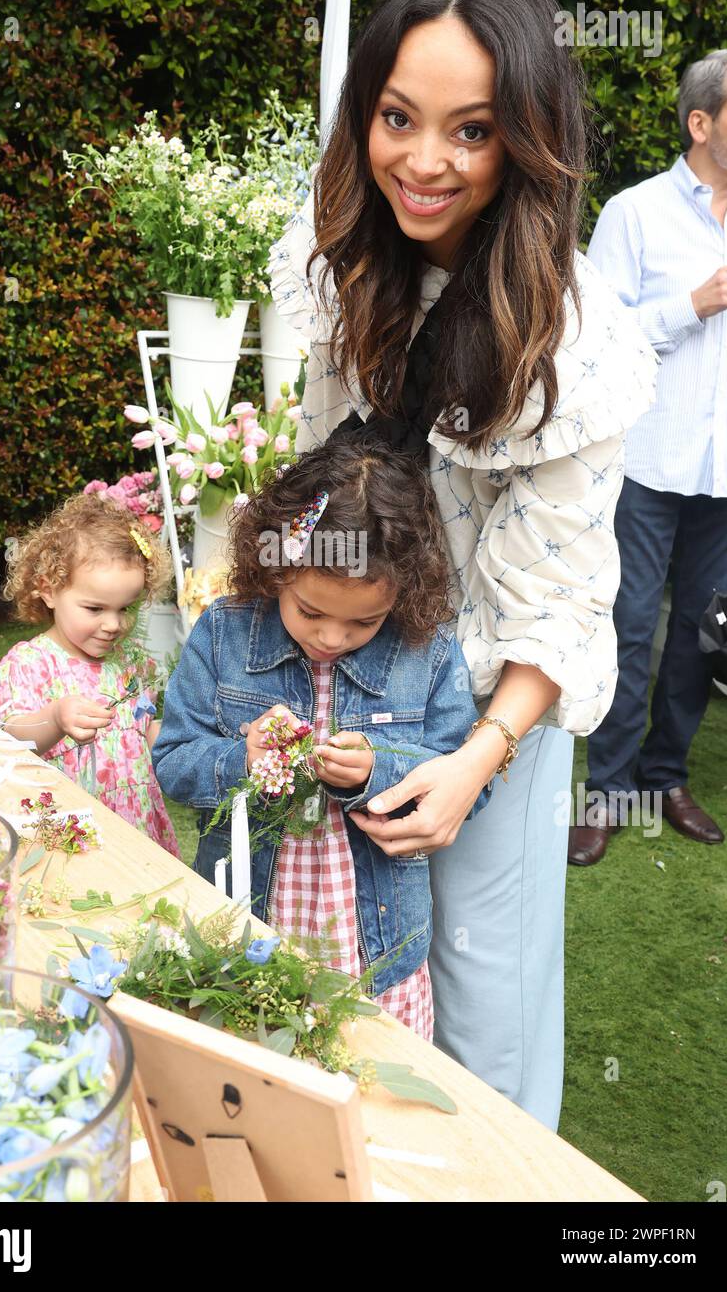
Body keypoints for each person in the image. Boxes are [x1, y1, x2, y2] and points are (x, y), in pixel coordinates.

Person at [266, 0, 658, 1128]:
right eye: (397, 117)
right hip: (353, 679)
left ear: (524, 140)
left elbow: (561, 595)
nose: (422, 160)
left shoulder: (571, 339)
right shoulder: (335, 257)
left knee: (482, 1010)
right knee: (334, 967)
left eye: (470, 130)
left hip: (497, 713)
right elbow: (318, 483)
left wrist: (475, 758)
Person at [151, 434, 491, 1039]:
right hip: (248, 924)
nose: (332, 638)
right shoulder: (225, 634)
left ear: (402, 593)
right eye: (310, 612)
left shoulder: (430, 651)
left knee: (371, 1083)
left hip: (376, 947)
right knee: (249, 1065)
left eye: (363, 621)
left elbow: (467, 785)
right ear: (277, 569)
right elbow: (174, 760)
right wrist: (241, 759)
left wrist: (376, 772)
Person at [570, 48, 727, 867]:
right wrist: (692, 304)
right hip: (645, 462)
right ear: (701, 122)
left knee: (703, 639)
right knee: (630, 627)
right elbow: (594, 342)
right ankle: (608, 790)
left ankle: (666, 775)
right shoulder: (633, 214)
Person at [0, 492, 179, 855]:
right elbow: (12, 740)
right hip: (70, 826)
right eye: (94, 608)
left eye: (125, 608)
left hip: (137, 823)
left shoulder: (130, 662)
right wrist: (56, 717)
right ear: (48, 591)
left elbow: (142, 728)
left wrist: (177, 743)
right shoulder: (31, 662)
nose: (113, 624)